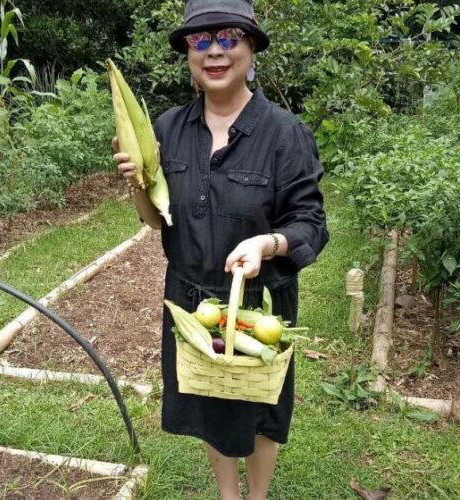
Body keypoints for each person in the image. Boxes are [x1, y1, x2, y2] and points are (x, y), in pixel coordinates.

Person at [111, 0, 328, 497]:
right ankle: (229, 494)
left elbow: (311, 222)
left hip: (258, 303)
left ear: (251, 47)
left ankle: (256, 496)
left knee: (260, 409)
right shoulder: (166, 129)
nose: (214, 51)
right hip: (192, 300)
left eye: (228, 37)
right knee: (212, 404)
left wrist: (268, 242)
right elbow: (155, 220)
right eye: (200, 39)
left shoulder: (284, 134)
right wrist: (137, 184)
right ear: (188, 52)